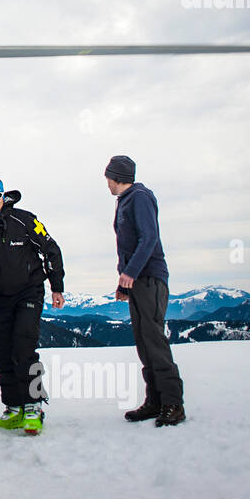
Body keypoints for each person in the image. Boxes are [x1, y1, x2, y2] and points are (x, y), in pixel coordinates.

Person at [0, 177, 64, 435]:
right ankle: (13, 407)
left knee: (24, 347)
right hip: (0, 296)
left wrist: (57, 286)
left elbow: (51, 249)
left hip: (29, 292)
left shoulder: (24, 220)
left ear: (3, 196)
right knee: (2, 353)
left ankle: (33, 406)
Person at [105, 155, 185, 427]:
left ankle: (173, 403)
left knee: (154, 340)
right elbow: (127, 246)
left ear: (117, 177)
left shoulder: (140, 197)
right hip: (138, 280)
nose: (106, 182)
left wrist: (131, 273)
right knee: (143, 341)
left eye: (108, 177)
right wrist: (124, 282)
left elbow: (149, 238)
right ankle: (156, 401)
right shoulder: (126, 200)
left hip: (150, 278)